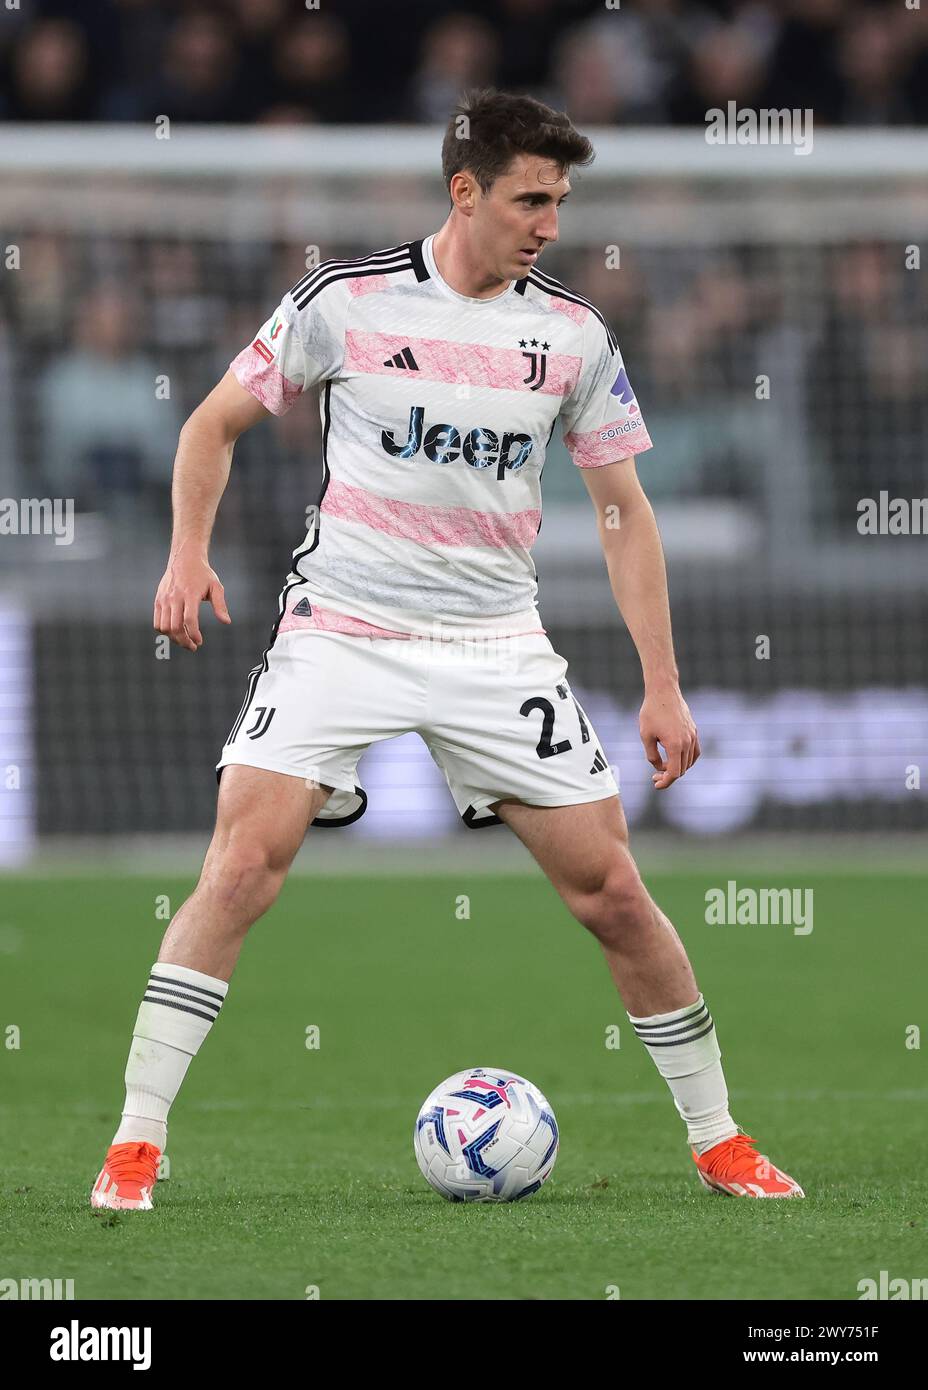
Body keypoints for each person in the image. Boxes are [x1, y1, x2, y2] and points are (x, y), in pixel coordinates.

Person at [91, 89, 802, 1210]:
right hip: (344, 628)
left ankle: (718, 1140)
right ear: (464, 191)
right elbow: (210, 424)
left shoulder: (569, 334)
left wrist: (661, 683)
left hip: (495, 644)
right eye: (531, 198)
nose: (550, 224)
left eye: (561, 201)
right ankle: (135, 1143)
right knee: (239, 865)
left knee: (614, 890)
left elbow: (623, 510)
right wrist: (187, 556)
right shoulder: (344, 302)